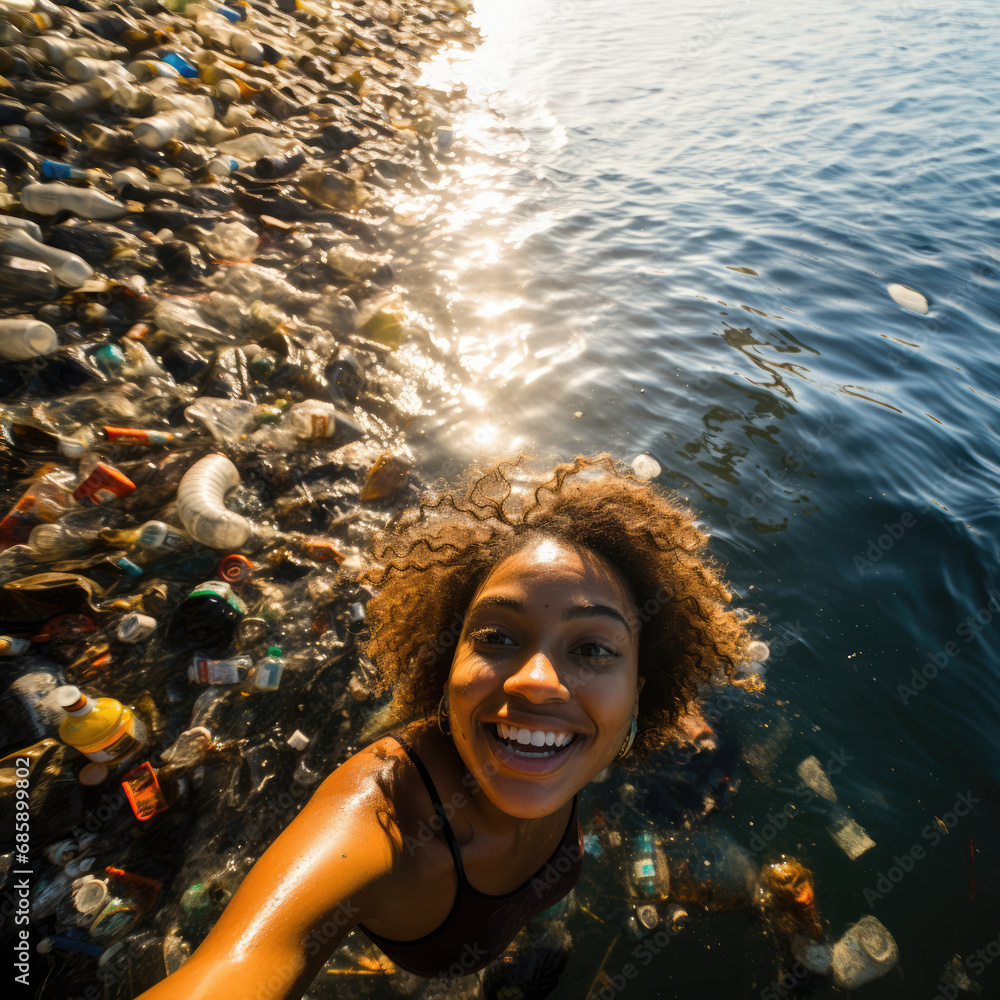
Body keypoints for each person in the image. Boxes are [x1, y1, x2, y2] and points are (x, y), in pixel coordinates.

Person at [138, 453, 753, 999]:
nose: (536, 681)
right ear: (446, 661)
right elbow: (236, 967)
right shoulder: (375, 819)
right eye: (496, 637)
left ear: (639, 693)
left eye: (592, 649)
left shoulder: (569, 743)